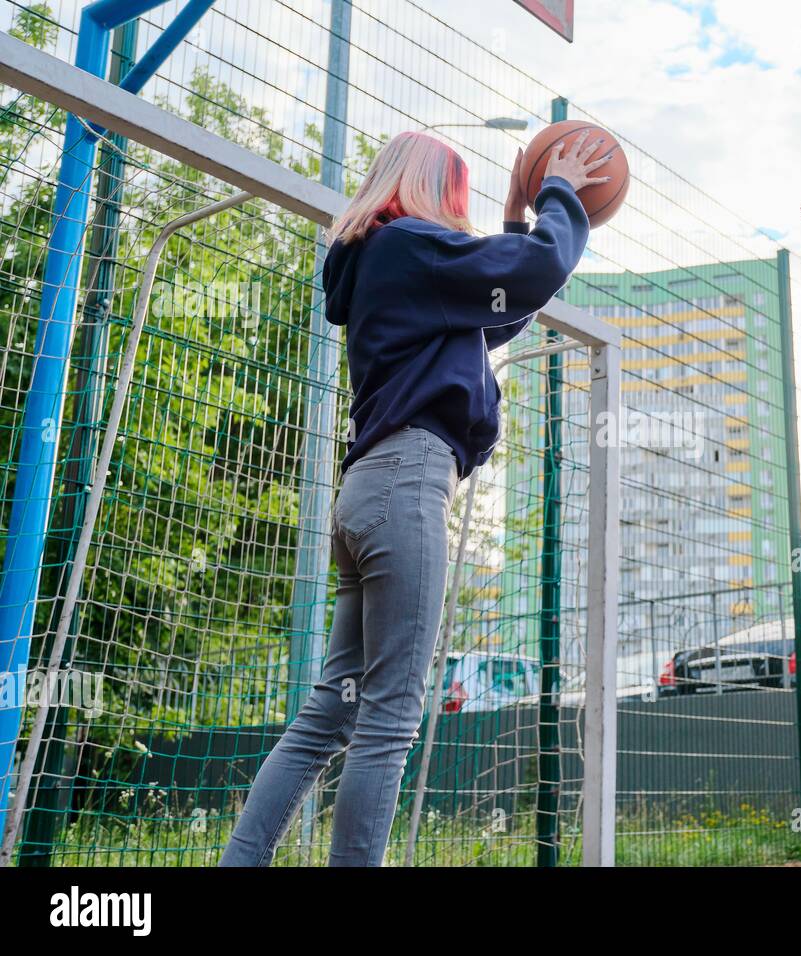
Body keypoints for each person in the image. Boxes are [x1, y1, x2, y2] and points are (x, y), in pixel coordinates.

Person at [219, 129, 616, 866]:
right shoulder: (410, 245)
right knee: (389, 718)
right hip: (407, 485)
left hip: (369, 492)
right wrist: (559, 191)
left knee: (330, 713)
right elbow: (533, 274)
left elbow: (499, 310)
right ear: (433, 189)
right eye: (458, 197)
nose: (457, 214)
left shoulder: (383, 258)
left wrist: (515, 221)